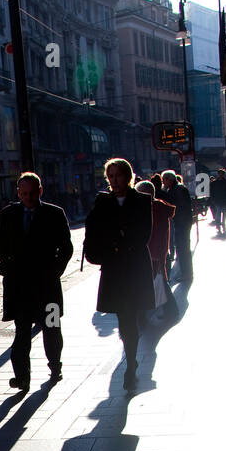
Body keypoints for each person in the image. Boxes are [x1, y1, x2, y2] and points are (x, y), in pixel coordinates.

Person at [0, 171, 73, 393]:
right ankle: (21, 377)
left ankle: (54, 365)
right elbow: (2, 246)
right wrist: (6, 266)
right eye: (24, 193)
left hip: (47, 285)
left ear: (40, 191)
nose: (28, 198)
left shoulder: (54, 213)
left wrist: (55, 271)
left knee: (51, 327)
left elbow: (66, 248)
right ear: (18, 193)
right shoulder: (9, 214)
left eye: (32, 193)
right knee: (21, 333)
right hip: (19, 288)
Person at [84, 158, 154, 393]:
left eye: (119, 175)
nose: (114, 180)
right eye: (110, 176)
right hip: (115, 269)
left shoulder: (143, 201)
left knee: (131, 316)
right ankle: (131, 360)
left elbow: (142, 235)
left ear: (128, 176)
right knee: (124, 318)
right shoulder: (102, 202)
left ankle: (131, 363)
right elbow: (94, 231)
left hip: (135, 269)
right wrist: (119, 236)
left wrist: (116, 235)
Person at [135, 179, 177, 325]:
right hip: (153, 253)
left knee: (148, 284)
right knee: (155, 283)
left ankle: (141, 318)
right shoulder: (156, 207)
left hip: (151, 254)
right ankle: (168, 312)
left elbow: (155, 234)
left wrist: (157, 255)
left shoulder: (153, 209)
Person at [161, 170, 193, 285]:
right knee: (182, 248)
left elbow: (178, 206)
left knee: (182, 248)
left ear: (169, 179)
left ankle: (186, 274)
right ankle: (186, 273)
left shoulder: (177, 190)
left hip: (182, 223)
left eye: (164, 180)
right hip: (183, 222)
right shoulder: (178, 188)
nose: (163, 183)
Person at [209, 167, 226, 236]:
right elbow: (212, 192)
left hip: (223, 200)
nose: (220, 175)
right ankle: (219, 225)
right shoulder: (215, 183)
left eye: (221, 174)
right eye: (220, 174)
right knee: (219, 213)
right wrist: (212, 199)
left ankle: (222, 224)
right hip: (218, 200)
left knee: (223, 213)